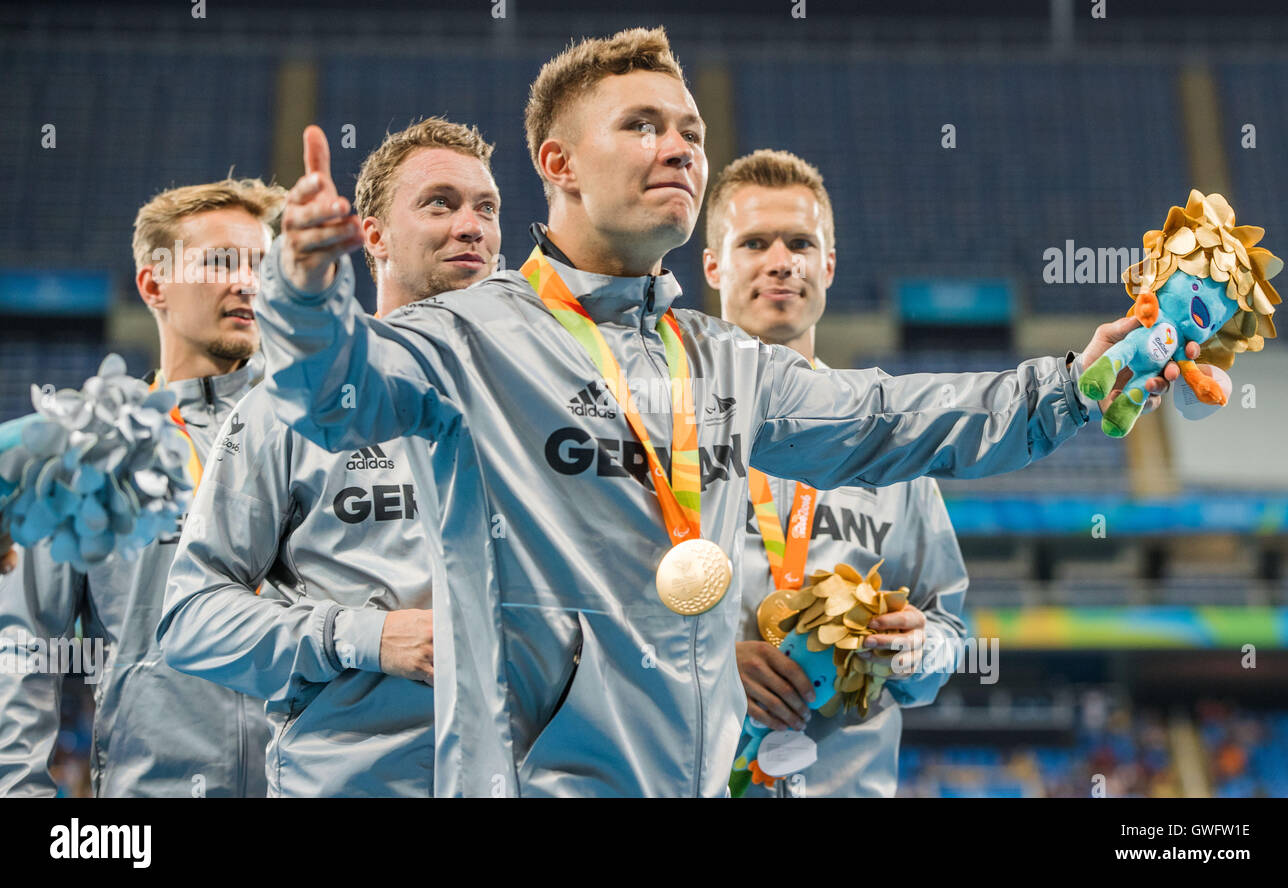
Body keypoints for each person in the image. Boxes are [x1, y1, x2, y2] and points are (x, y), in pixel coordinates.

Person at [253, 27, 1191, 797]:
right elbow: (328, 393)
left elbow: (894, 420)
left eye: (693, 133)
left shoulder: (716, 359)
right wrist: (301, 285)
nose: (682, 149)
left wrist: (1072, 387)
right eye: (645, 125)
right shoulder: (466, 335)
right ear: (560, 163)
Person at [158, 117, 502, 797]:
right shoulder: (280, 410)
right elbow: (190, 618)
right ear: (372, 235)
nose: (472, 226)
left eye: (486, 208)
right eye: (441, 203)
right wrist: (364, 636)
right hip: (354, 781)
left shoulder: (528, 405)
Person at [0, 177, 282, 796]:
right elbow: (22, 656)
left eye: (262, 264)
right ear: (153, 285)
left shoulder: (316, 438)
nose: (248, 283)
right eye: (220, 262)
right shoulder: (83, 453)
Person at [704, 148, 967, 797]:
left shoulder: (886, 438)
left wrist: (918, 650)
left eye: (800, 242)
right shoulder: (660, 434)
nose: (780, 261)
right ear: (713, 265)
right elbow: (598, 623)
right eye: (754, 243)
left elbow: (950, 631)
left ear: (827, 264)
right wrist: (706, 667)